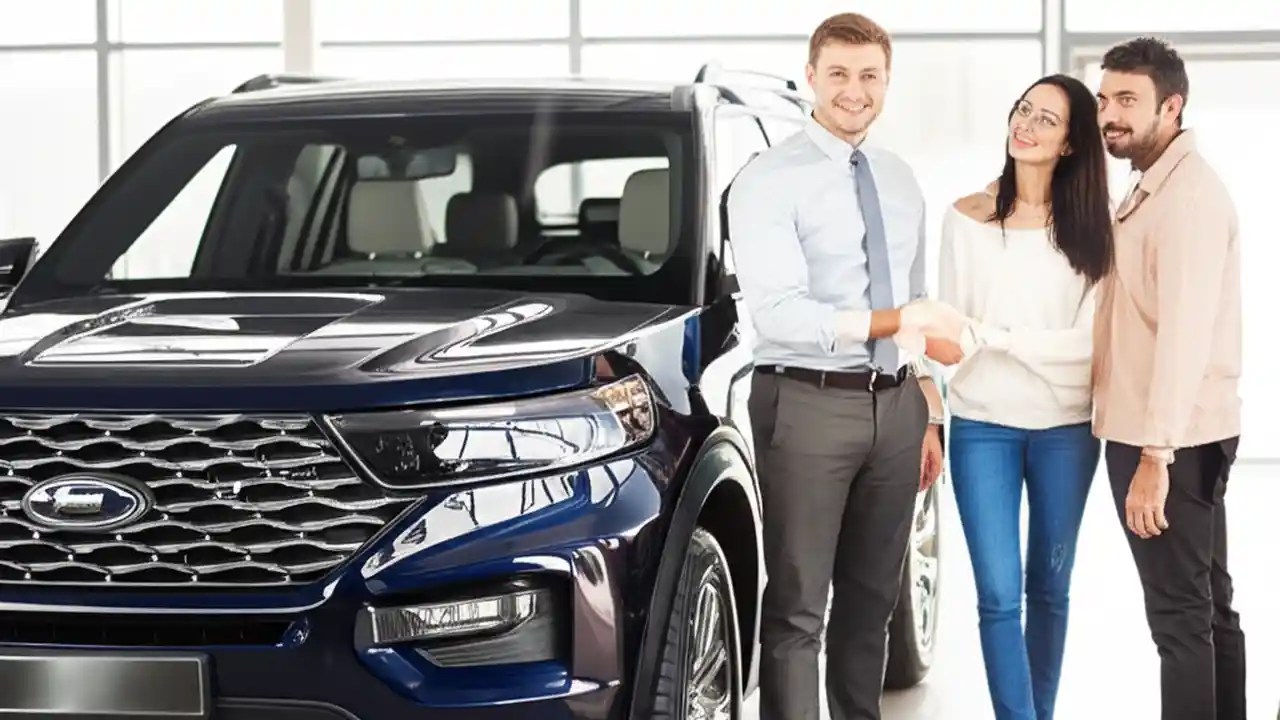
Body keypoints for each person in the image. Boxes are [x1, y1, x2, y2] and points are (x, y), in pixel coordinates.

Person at [727, 11, 968, 720]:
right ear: (811, 78)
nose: (853, 91)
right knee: (800, 605)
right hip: (806, 402)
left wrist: (927, 403)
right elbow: (777, 313)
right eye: (838, 74)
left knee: (872, 601)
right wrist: (896, 325)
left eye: (868, 76)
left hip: (896, 407)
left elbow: (916, 296)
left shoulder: (898, 178)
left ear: (886, 82)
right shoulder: (769, 179)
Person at [935, 74, 1114, 720]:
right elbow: (949, 333)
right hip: (982, 426)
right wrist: (985, 344)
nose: (1026, 125)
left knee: (1051, 588)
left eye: (1047, 120)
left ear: (1071, 145)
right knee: (998, 595)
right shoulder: (965, 219)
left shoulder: (1097, 233)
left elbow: (1090, 349)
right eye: (1022, 110)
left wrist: (995, 338)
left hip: (1068, 431)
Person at [1091, 36, 1245, 720]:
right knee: (1209, 606)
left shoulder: (1185, 198)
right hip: (1184, 432)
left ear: (1172, 105)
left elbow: (1182, 338)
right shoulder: (1155, 184)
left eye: (1128, 100)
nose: (1109, 116)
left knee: (1180, 621)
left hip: (1166, 440)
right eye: (1103, 100)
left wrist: (1155, 456)